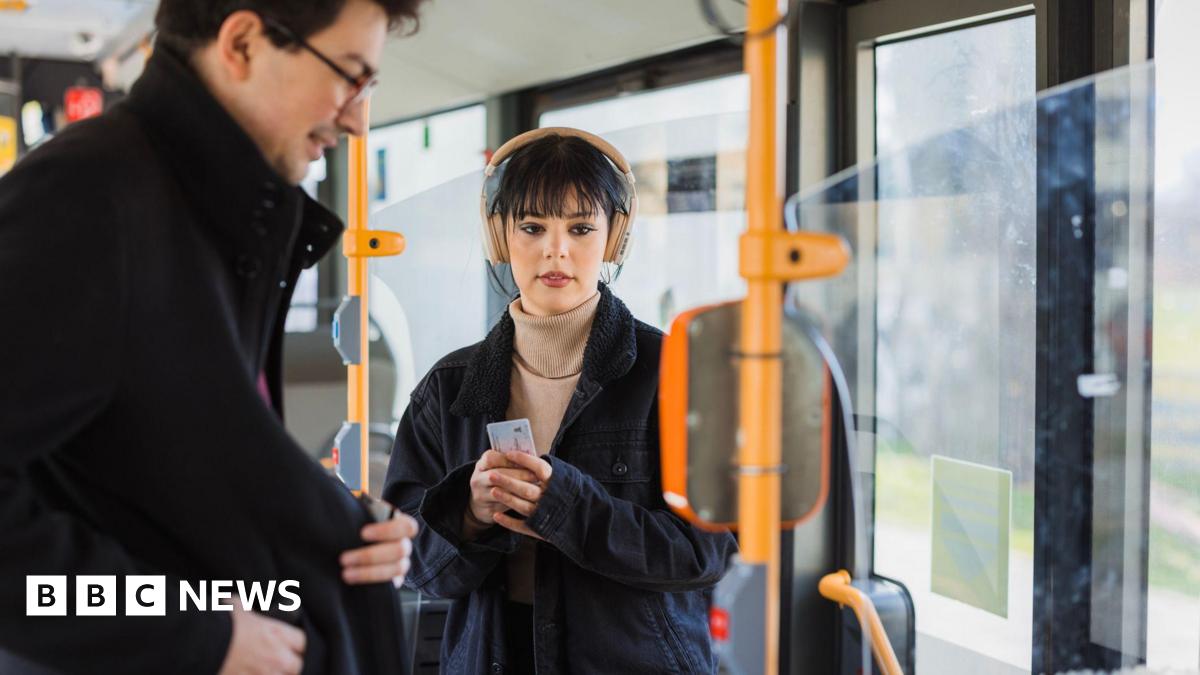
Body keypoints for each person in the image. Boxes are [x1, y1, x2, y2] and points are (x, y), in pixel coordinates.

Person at [0, 1, 428, 673]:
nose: (355, 117)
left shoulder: (215, 216)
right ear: (243, 43)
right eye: (349, 76)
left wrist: (336, 526)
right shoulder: (89, 199)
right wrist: (189, 633)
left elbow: (156, 468)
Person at [383, 128, 738, 673]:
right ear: (500, 237)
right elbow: (414, 566)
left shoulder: (673, 372)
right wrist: (471, 515)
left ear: (613, 239)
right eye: (532, 227)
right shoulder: (448, 387)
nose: (556, 250)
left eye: (580, 228)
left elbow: (705, 553)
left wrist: (567, 508)